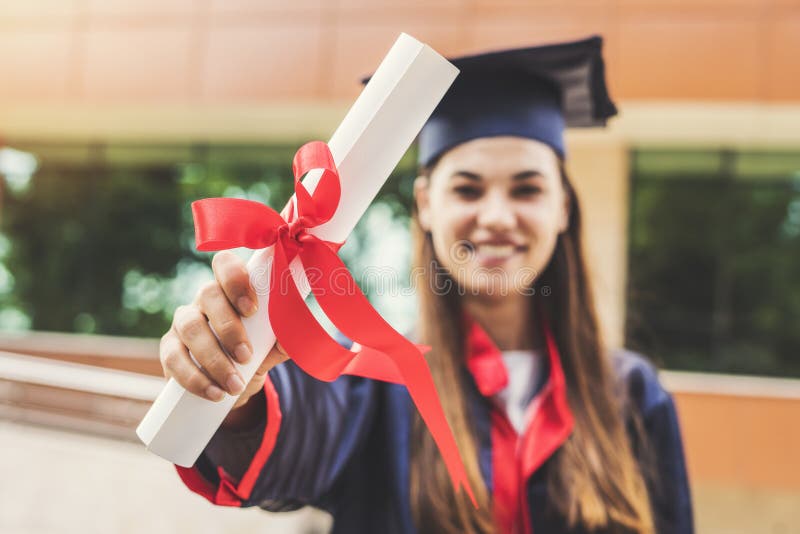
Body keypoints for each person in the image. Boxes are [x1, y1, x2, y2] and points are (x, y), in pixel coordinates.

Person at [160, 36, 694, 534]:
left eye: (527, 189)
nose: (497, 217)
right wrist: (235, 383)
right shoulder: (374, 381)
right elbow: (290, 436)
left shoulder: (632, 395)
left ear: (563, 208)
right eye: (467, 189)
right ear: (425, 205)